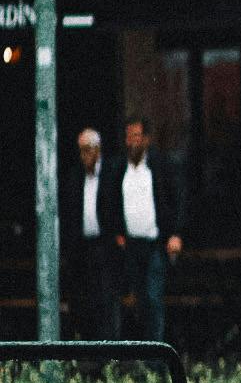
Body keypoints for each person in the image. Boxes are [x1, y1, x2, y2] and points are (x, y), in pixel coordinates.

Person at [101, 116, 184, 342]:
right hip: (131, 244)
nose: (132, 142)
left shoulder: (159, 165)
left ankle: (156, 357)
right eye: (129, 137)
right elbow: (109, 203)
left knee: (153, 295)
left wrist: (175, 233)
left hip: (155, 242)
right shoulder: (120, 169)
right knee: (138, 299)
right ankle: (144, 349)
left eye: (136, 136)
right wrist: (118, 232)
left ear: (146, 139)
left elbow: (175, 199)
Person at [61, 126, 118, 339]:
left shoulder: (111, 174)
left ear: (98, 150)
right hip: (81, 248)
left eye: (87, 149)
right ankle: (87, 355)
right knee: (83, 301)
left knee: (105, 300)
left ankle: (108, 354)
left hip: (104, 246)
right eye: (81, 150)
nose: (84, 155)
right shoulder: (75, 177)